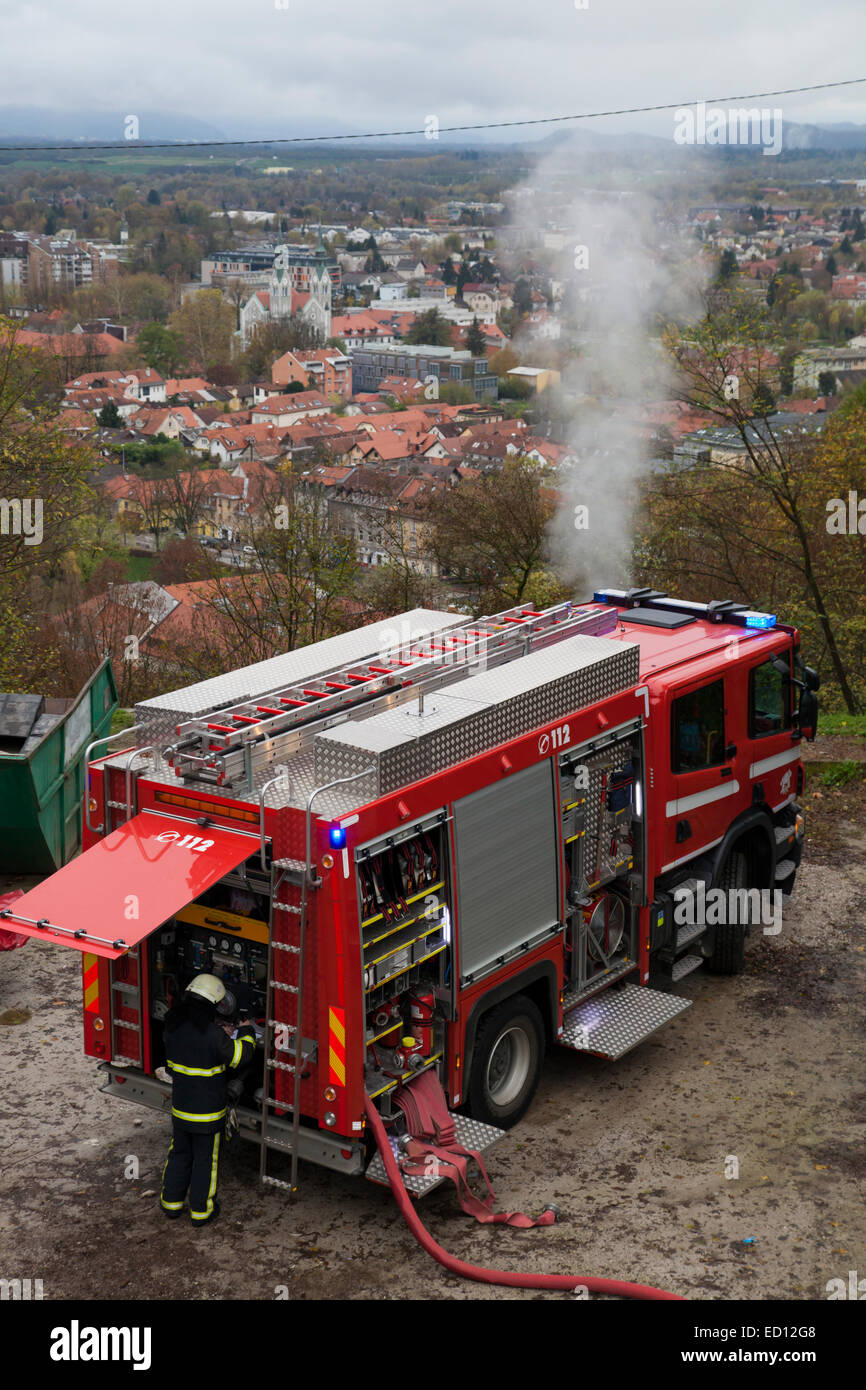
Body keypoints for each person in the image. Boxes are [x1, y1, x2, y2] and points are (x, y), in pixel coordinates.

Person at [159, 973, 256, 1226]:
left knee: (179, 1154)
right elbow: (238, 1057)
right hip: (208, 1114)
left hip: (181, 1110)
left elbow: (171, 1067)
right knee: (205, 1161)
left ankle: (171, 1205)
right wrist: (246, 1032)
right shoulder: (213, 1035)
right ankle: (202, 1212)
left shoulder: (173, 1028)